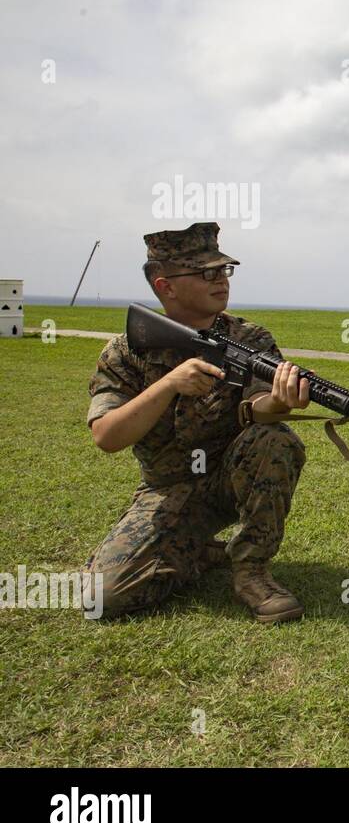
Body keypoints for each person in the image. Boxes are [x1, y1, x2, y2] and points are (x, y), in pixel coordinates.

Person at [84, 222, 311, 623]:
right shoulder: (127, 351)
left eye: (224, 270)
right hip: (167, 490)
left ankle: (252, 572)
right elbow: (106, 435)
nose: (220, 280)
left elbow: (259, 406)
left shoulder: (249, 338)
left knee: (275, 438)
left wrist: (278, 401)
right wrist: (170, 384)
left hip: (231, 478)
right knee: (103, 598)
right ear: (165, 285)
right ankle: (194, 549)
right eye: (206, 273)